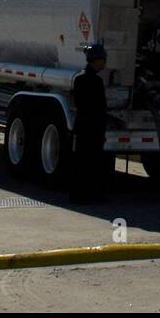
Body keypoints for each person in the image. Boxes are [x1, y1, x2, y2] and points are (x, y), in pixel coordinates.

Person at [70, 42, 109, 202]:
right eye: (103, 60)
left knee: (81, 161)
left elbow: (78, 104)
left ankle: (78, 194)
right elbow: (101, 107)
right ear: (96, 60)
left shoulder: (78, 80)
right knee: (93, 162)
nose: (104, 63)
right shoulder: (97, 82)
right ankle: (93, 194)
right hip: (94, 128)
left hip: (82, 126)